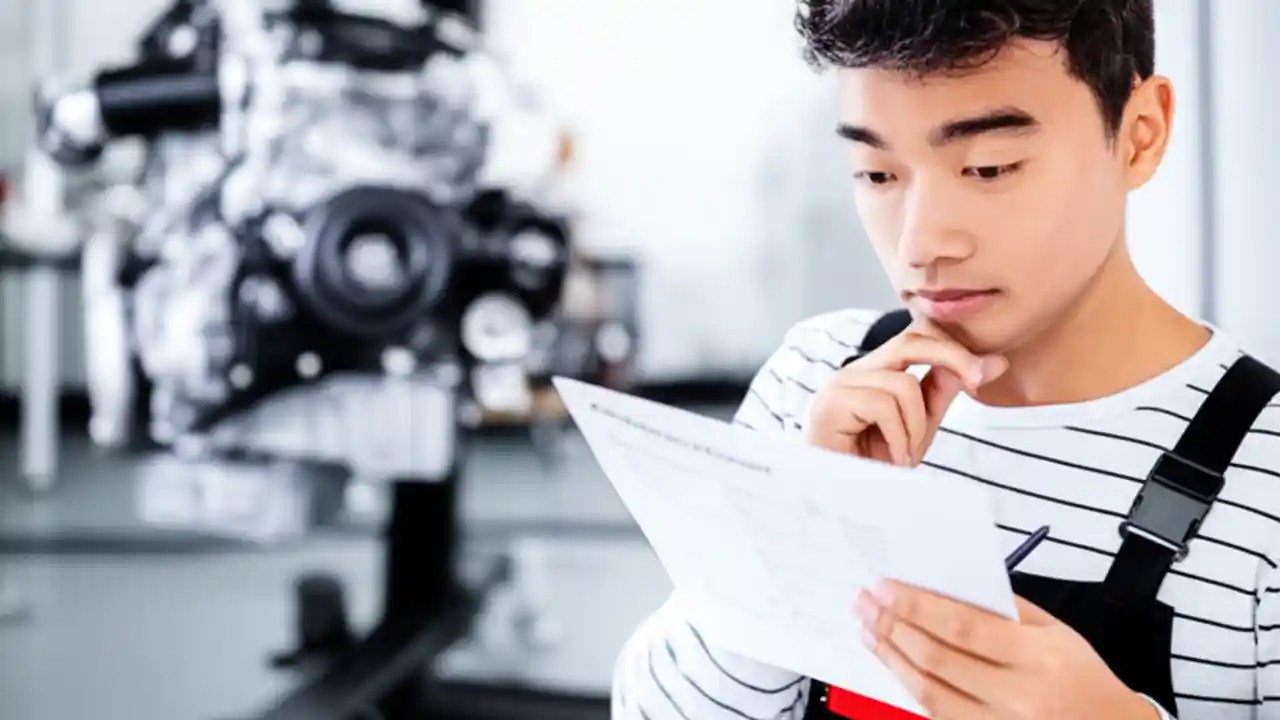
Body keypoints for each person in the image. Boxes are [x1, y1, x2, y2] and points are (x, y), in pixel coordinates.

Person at [610, 1, 1280, 719]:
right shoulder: (815, 377)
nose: (920, 244)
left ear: (1140, 135)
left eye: (988, 168)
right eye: (876, 174)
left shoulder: (1266, 479)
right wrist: (792, 530)